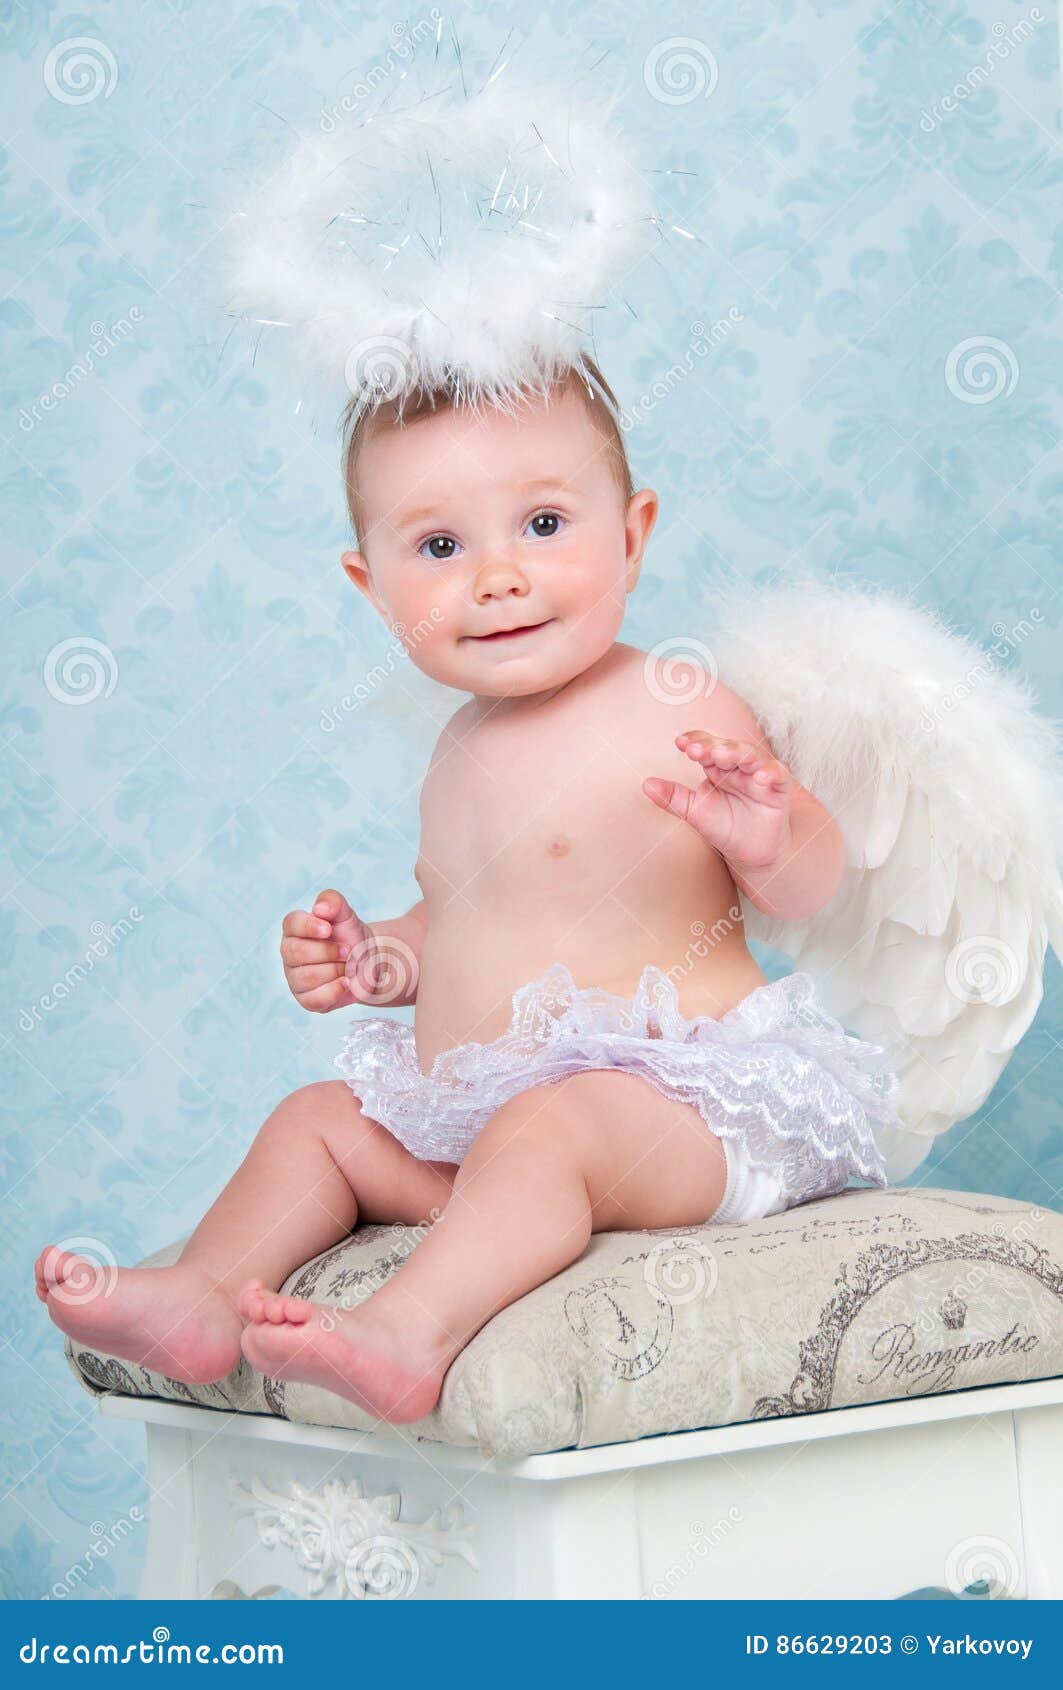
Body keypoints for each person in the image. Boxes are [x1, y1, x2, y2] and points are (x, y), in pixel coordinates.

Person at [36, 356, 899, 1424]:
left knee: (548, 1129)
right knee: (319, 1119)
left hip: (685, 1119)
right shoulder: (459, 745)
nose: (496, 576)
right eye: (440, 547)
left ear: (631, 534)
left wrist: (773, 834)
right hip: (500, 1138)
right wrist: (384, 958)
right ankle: (207, 1301)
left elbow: (811, 889)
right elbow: (470, 920)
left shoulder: (671, 702)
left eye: (542, 524)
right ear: (371, 584)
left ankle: (409, 1332)